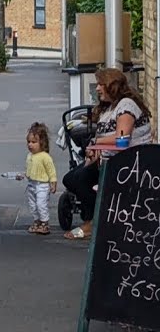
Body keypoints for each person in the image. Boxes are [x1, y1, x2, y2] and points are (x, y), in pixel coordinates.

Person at [62, 67, 153, 240]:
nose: (97, 89)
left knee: (80, 179)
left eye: (100, 84)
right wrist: (93, 151)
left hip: (128, 163)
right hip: (107, 160)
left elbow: (122, 139)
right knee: (71, 178)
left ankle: (92, 222)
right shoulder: (109, 108)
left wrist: (97, 143)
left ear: (112, 86)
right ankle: (100, 215)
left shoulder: (126, 105)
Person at [22, 122, 57, 235]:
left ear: (42, 143)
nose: (30, 145)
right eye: (29, 142)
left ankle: (44, 222)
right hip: (32, 183)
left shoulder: (45, 157)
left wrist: (53, 182)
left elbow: (51, 170)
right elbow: (29, 169)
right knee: (32, 204)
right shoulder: (29, 156)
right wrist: (24, 175)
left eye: (34, 142)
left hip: (42, 184)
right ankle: (36, 221)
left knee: (41, 204)